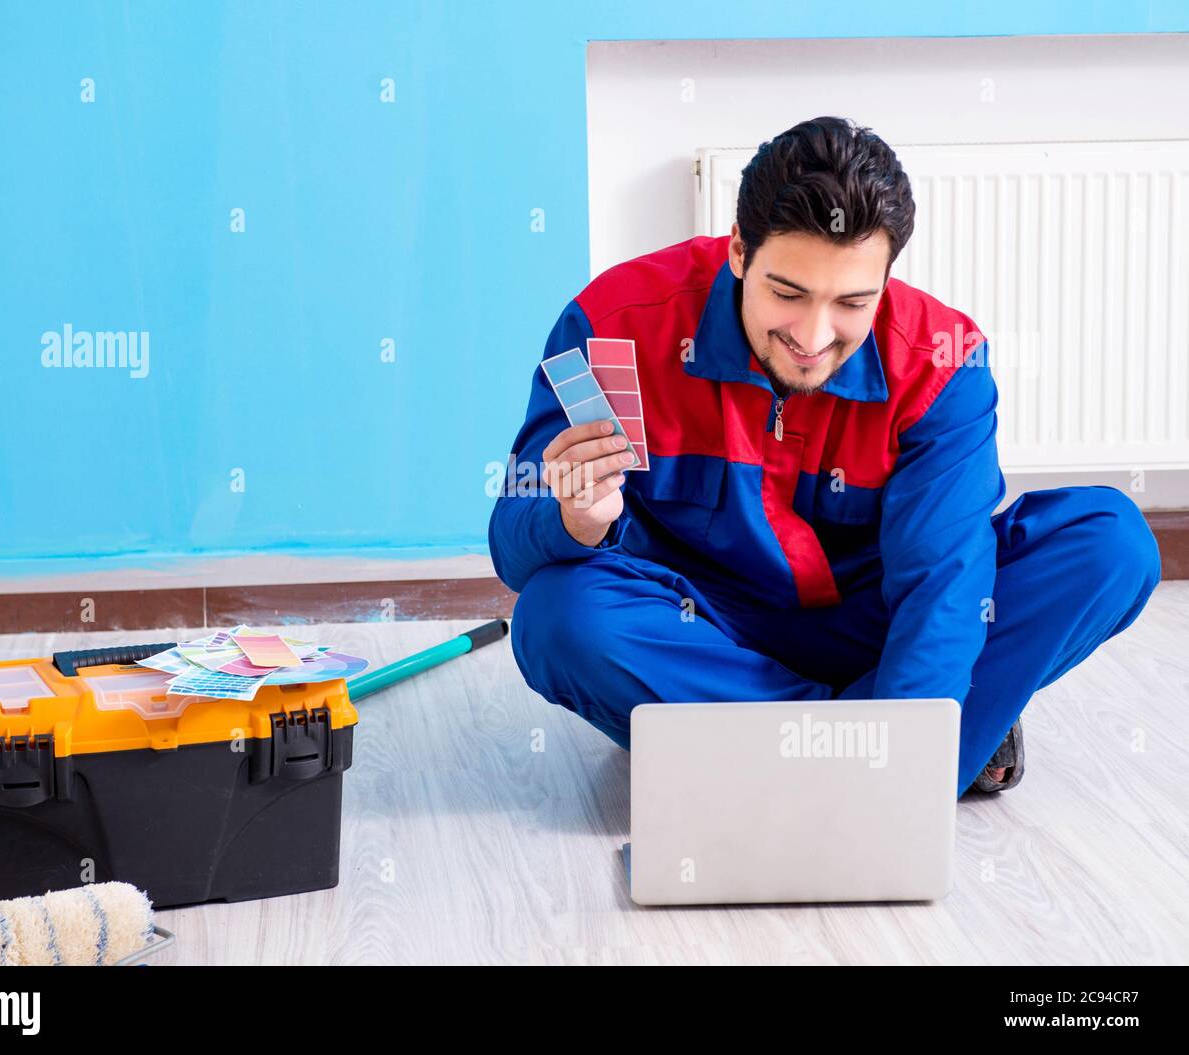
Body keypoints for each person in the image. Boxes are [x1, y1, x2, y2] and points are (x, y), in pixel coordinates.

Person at [488, 116, 1161, 797]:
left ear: (886, 277)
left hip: (875, 624)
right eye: (788, 294)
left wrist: (896, 778)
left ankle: (808, 751)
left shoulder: (940, 364)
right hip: (705, 633)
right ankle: (919, 733)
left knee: (1111, 544)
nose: (812, 336)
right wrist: (569, 518)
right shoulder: (617, 323)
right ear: (739, 252)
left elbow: (941, 589)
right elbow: (513, 553)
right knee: (557, 616)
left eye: (851, 302)